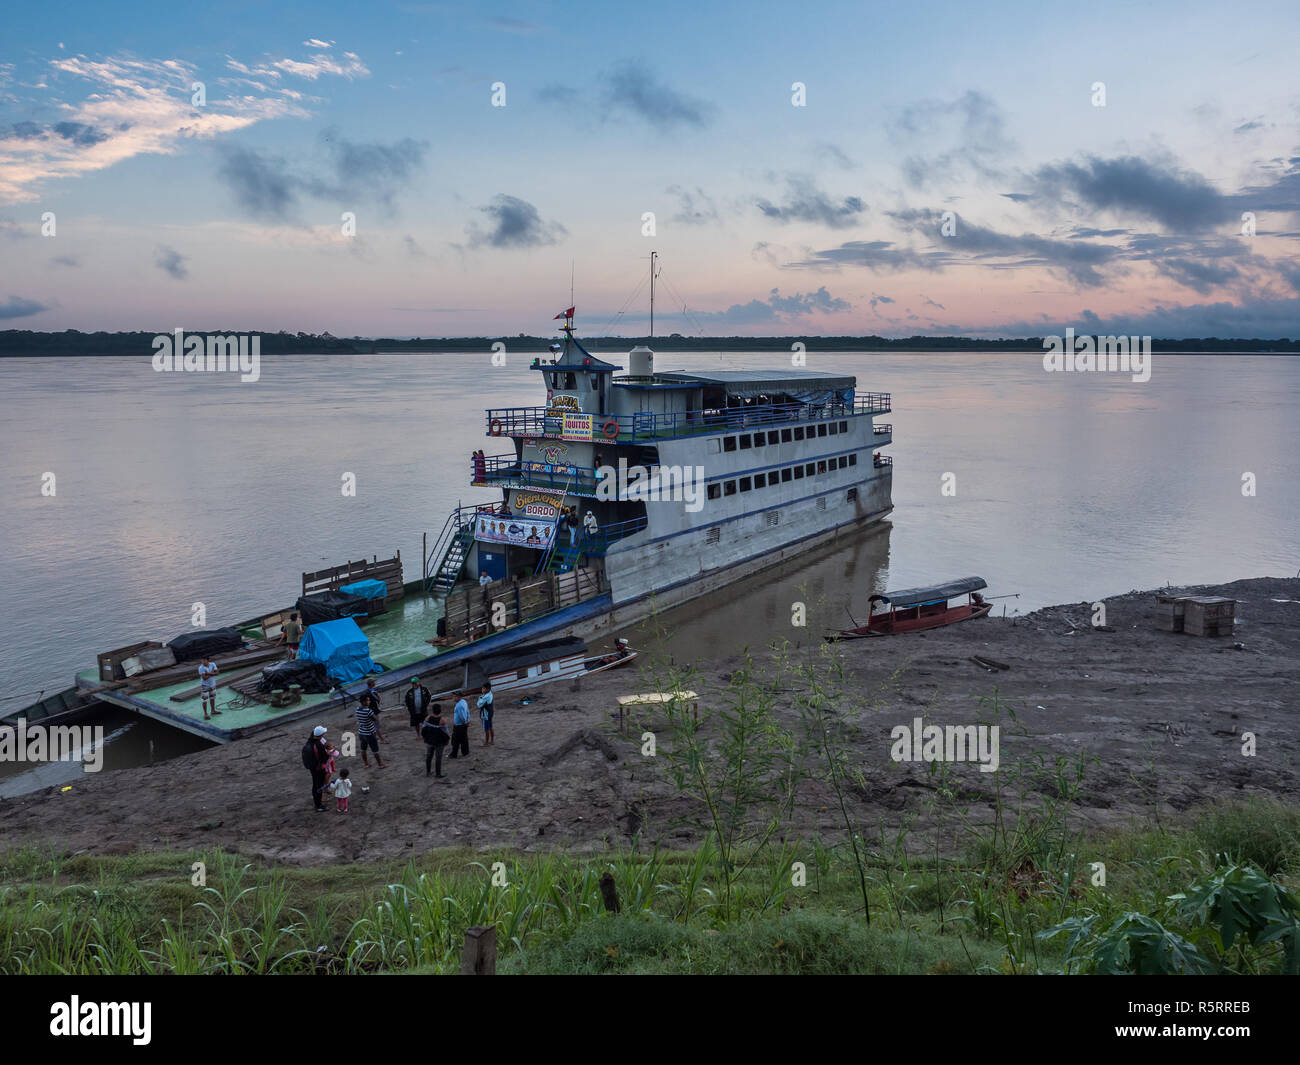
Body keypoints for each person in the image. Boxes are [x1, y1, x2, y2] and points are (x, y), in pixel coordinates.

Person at [303, 725, 331, 812]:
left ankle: (317, 802)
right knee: (318, 786)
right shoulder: (318, 745)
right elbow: (324, 758)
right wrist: (329, 753)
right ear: (320, 734)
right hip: (319, 769)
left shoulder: (310, 741)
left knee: (315, 784)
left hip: (312, 768)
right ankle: (318, 805)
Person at [355, 693, 386, 769]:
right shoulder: (368, 711)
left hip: (361, 732)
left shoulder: (357, 709)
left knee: (363, 749)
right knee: (375, 750)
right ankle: (380, 764)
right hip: (369, 733)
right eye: (368, 700)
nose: (369, 701)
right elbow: (374, 719)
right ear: (364, 702)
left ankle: (366, 764)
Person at [420, 706, 449, 777]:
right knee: (438, 758)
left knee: (429, 756)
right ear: (440, 711)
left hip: (429, 741)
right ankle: (438, 774)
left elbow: (423, 729)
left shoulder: (427, 718)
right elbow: (446, 732)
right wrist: (447, 740)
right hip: (439, 742)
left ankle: (428, 772)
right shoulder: (442, 720)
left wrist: (425, 738)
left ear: (433, 711)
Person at [198, 655, 221, 719]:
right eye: (202, 660)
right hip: (205, 686)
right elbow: (204, 678)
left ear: (208, 660)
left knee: (212, 698)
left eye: (204, 660)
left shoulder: (213, 664)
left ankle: (213, 711)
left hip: (212, 684)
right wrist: (212, 673)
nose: (202, 661)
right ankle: (205, 714)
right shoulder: (201, 668)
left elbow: (218, 673)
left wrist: (208, 673)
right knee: (204, 700)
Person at [449, 693, 470, 759]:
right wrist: (468, 721)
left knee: (455, 740)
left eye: (454, 696)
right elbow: (467, 712)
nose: (453, 697)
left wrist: (465, 722)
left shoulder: (459, 705)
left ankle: (454, 754)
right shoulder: (464, 701)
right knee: (464, 739)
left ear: (458, 697)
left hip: (459, 725)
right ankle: (465, 752)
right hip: (463, 725)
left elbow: (462, 717)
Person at [477, 682, 495, 747]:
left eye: (483, 688)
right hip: (489, 714)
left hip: (486, 715)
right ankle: (492, 740)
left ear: (487, 689)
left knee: (486, 728)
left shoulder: (486, 696)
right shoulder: (489, 694)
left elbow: (479, 705)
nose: (482, 689)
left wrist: (480, 700)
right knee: (490, 727)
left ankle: (486, 742)